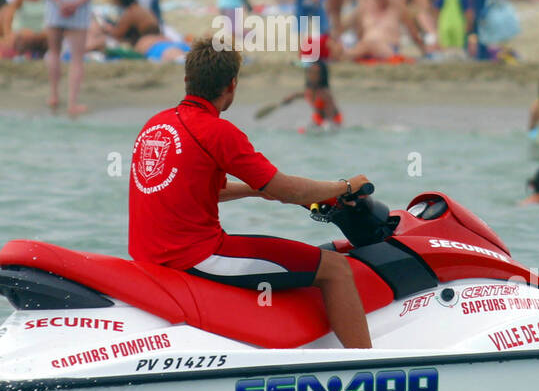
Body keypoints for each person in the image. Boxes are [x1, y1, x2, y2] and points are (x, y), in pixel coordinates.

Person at [128, 39, 373, 347]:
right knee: (336, 268)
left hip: (148, 255)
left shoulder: (156, 125)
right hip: (197, 257)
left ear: (188, 80)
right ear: (232, 85)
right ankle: (367, 367)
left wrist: (255, 191)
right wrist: (345, 186)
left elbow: (202, 191)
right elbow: (287, 190)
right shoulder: (218, 131)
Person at [340, 0, 431, 59]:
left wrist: (424, 50)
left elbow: (413, 32)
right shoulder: (365, 9)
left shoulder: (397, 9)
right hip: (367, 45)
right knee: (366, 45)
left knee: (369, 45)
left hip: (388, 48)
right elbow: (357, 30)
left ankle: (347, 55)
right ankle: (347, 54)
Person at [279, 59, 342, 129]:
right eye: (310, 72)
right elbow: (305, 94)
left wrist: (324, 127)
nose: (312, 76)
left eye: (316, 73)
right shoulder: (310, 90)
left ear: (322, 76)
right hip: (318, 118)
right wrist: (292, 97)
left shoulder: (325, 94)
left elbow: (330, 116)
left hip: (333, 120)